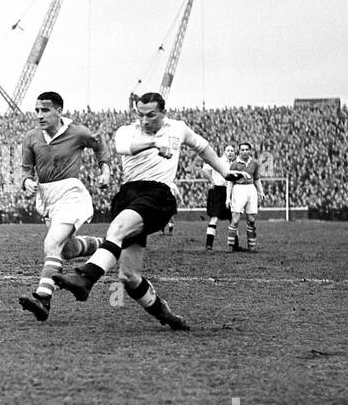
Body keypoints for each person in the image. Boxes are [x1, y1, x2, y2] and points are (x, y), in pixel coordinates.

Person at [53, 92, 237, 331]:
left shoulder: (178, 128)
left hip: (158, 195)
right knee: (128, 276)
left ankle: (85, 278)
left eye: (151, 115)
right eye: (140, 114)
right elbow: (123, 147)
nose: (145, 120)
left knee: (117, 231)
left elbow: (203, 148)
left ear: (163, 112)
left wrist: (225, 171)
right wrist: (153, 143)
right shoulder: (127, 131)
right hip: (128, 195)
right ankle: (165, 313)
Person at [17, 91, 110, 322]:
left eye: (45, 110)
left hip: (70, 194)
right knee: (66, 250)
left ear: (59, 110)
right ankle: (107, 245)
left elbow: (99, 144)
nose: (39, 115)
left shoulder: (77, 132)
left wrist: (105, 169)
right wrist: (27, 181)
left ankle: (43, 297)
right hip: (47, 197)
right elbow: (26, 168)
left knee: (52, 244)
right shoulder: (31, 137)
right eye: (37, 110)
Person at [226, 142, 263, 252]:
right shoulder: (234, 164)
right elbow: (230, 182)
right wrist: (228, 197)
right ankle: (232, 247)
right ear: (239, 151)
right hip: (239, 189)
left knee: (251, 219)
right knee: (236, 218)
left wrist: (261, 192)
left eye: (246, 149)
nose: (244, 152)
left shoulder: (254, 163)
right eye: (242, 150)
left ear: (250, 151)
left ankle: (251, 247)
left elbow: (257, 179)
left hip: (251, 189)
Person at [204, 144, 236, 250]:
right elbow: (205, 170)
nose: (230, 152)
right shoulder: (217, 160)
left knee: (233, 218)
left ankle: (235, 245)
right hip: (218, 191)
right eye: (228, 150)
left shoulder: (235, 164)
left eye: (232, 150)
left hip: (230, 191)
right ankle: (209, 245)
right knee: (215, 217)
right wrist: (211, 181)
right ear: (224, 152)